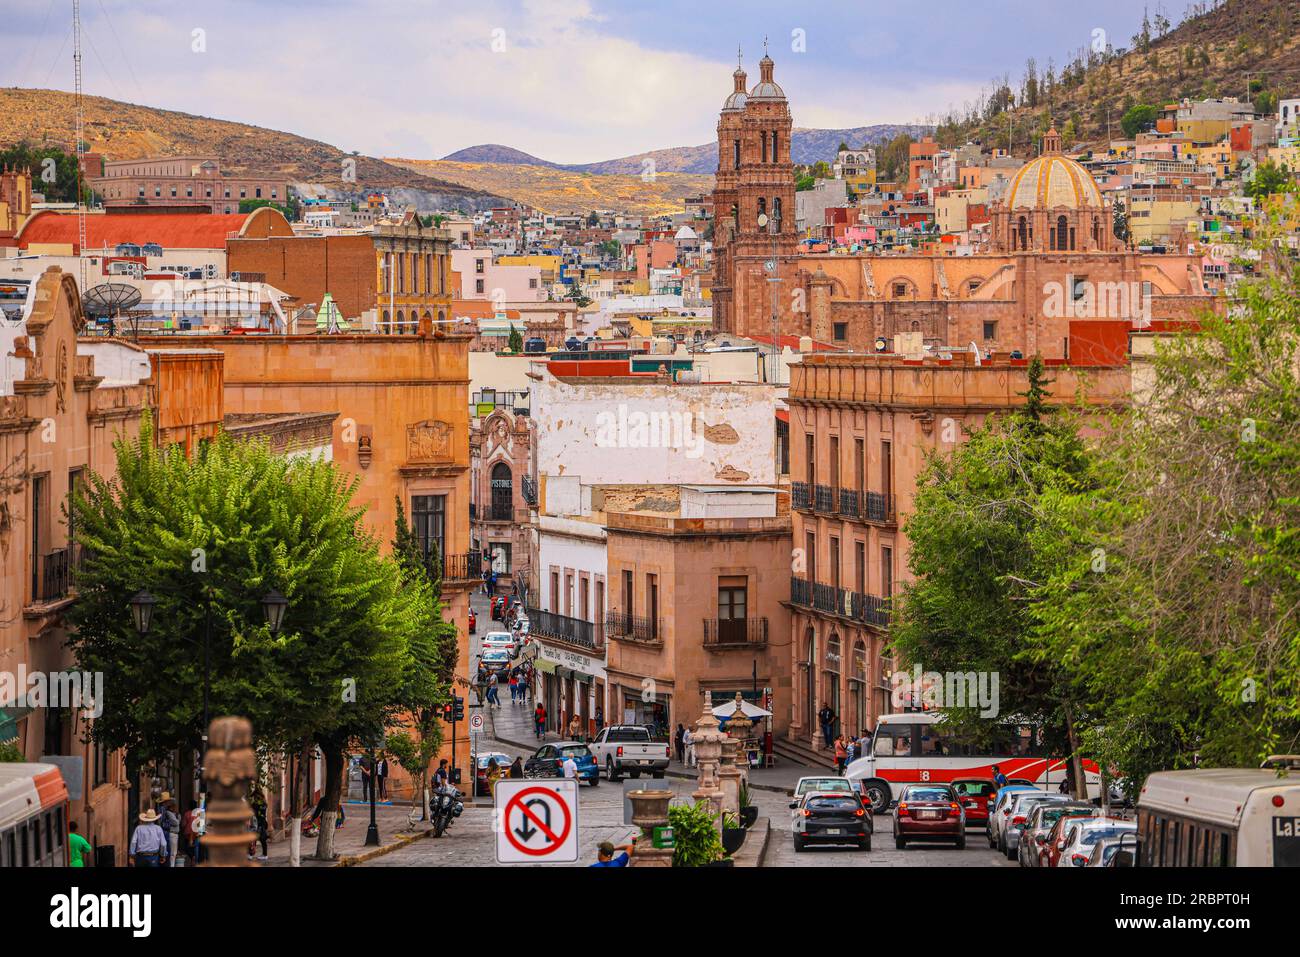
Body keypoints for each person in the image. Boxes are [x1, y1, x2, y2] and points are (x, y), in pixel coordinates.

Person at [156, 794, 179, 867]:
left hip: (163, 831)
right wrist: (169, 824)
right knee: (168, 851)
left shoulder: (162, 808)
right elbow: (162, 822)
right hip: (164, 831)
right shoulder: (163, 809)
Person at [248, 788, 269, 861]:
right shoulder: (264, 803)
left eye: (254, 797)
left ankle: (250, 854)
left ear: (257, 796)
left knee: (253, 839)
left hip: (258, 824)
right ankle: (264, 854)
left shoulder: (256, 804)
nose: (254, 798)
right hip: (262, 823)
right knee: (262, 839)